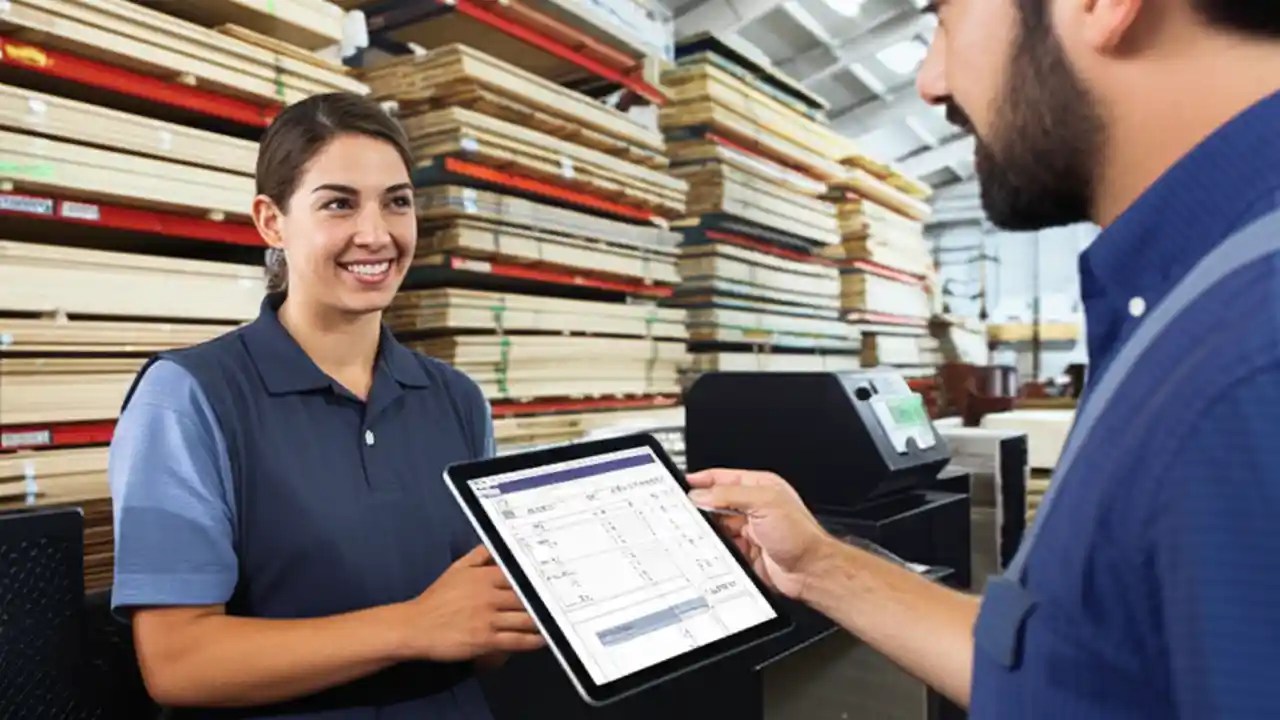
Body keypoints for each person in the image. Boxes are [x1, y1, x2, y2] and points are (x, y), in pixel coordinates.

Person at [689, 1, 1280, 718]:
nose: (931, 82)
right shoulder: (1190, 307)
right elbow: (1081, 672)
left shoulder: (1249, 361)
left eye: (946, 17)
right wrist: (818, 565)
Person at [107, 93, 544, 719]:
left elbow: (481, 642)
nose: (376, 234)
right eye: (339, 203)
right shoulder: (189, 396)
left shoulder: (457, 400)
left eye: (397, 202)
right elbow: (177, 664)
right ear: (271, 221)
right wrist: (412, 626)